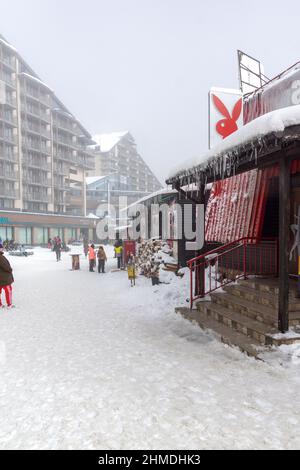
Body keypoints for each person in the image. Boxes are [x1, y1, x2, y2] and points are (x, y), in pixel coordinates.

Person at [0, 243, 14, 308]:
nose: (3, 249)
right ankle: (9, 304)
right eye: (1, 248)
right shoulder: (1, 257)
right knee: (8, 290)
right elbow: (6, 267)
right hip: (4, 278)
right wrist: (10, 269)